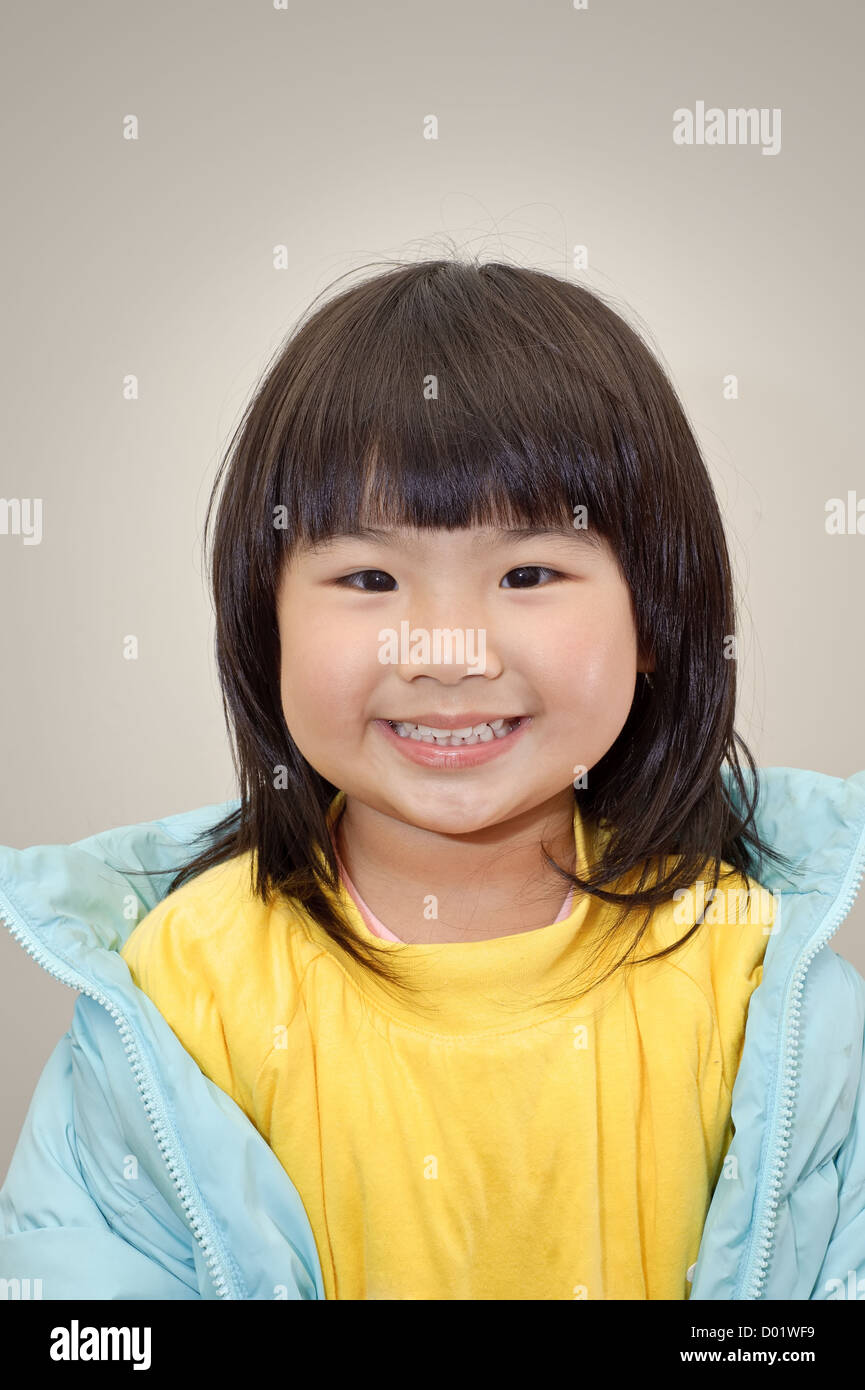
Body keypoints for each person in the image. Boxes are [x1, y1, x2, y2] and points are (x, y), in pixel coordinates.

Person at [1, 259, 864, 1301]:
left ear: (656, 620)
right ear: (260, 621)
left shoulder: (759, 987)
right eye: (369, 578)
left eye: (528, 573)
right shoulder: (181, 994)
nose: (447, 648)